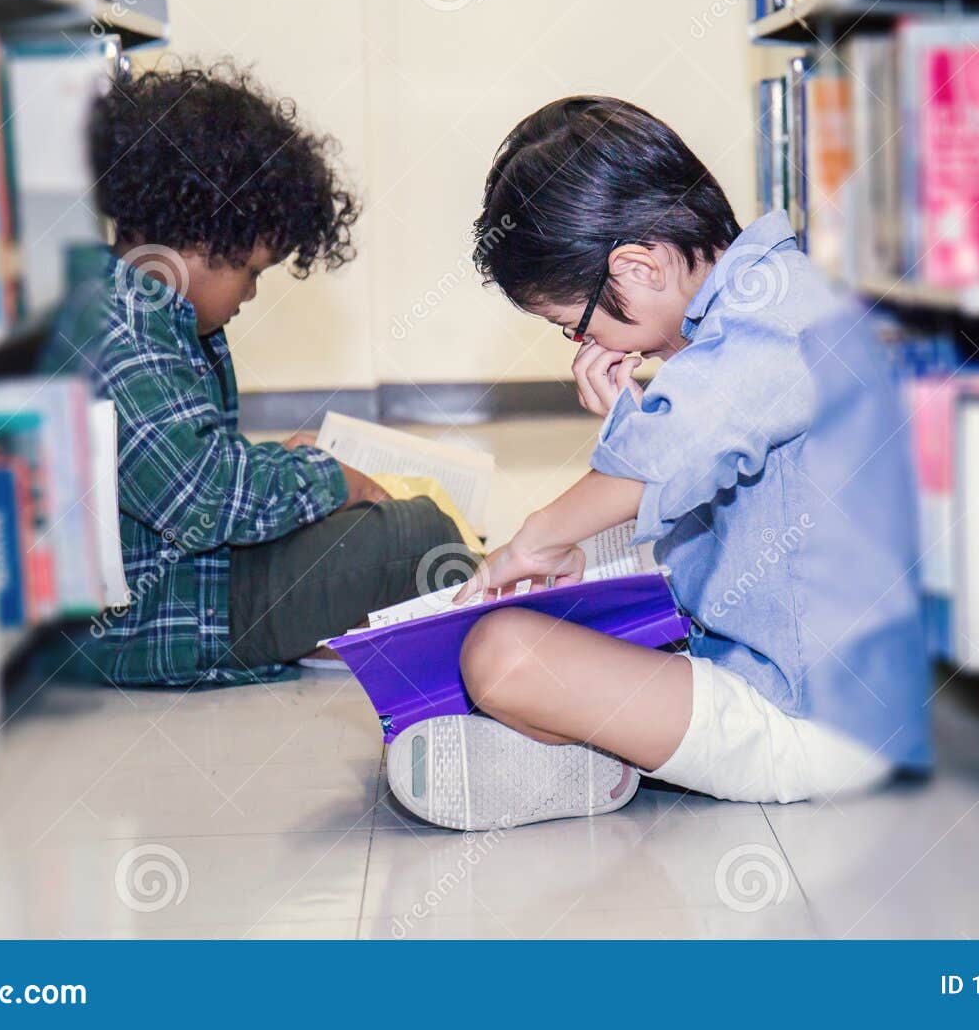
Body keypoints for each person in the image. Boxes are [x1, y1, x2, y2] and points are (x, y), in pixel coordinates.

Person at [384, 96, 932, 830]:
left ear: (638, 267)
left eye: (571, 323)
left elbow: (679, 454)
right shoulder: (757, 305)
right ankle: (597, 744)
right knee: (551, 618)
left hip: (809, 719)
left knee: (498, 654)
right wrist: (629, 414)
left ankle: (590, 755)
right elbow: (705, 465)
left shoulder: (781, 317)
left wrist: (540, 533)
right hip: (761, 664)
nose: (580, 344)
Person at [46, 61, 466, 688]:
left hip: (190, 580)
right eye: (252, 273)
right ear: (197, 238)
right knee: (419, 534)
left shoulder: (133, 305)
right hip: (169, 613)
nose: (249, 295)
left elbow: (174, 461)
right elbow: (200, 497)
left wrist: (283, 466)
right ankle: (483, 645)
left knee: (389, 527)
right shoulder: (120, 329)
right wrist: (329, 479)